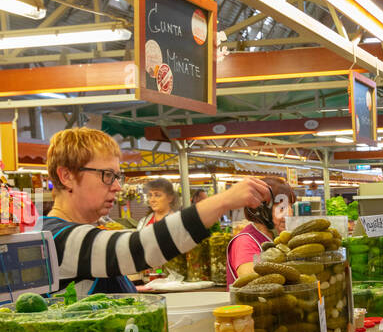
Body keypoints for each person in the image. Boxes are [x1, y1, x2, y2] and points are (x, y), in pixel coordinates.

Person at [42, 127, 271, 296]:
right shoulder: (53, 240)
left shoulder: (79, 234)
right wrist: (222, 201)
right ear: (67, 176)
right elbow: (138, 247)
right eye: (107, 175)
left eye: (117, 176)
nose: (117, 186)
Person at [226, 176, 296, 287]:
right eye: (282, 208)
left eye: (291, 207)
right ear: (261, 210)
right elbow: (251, 281)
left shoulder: (276, 238)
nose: (289, 214)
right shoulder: (245, 241)